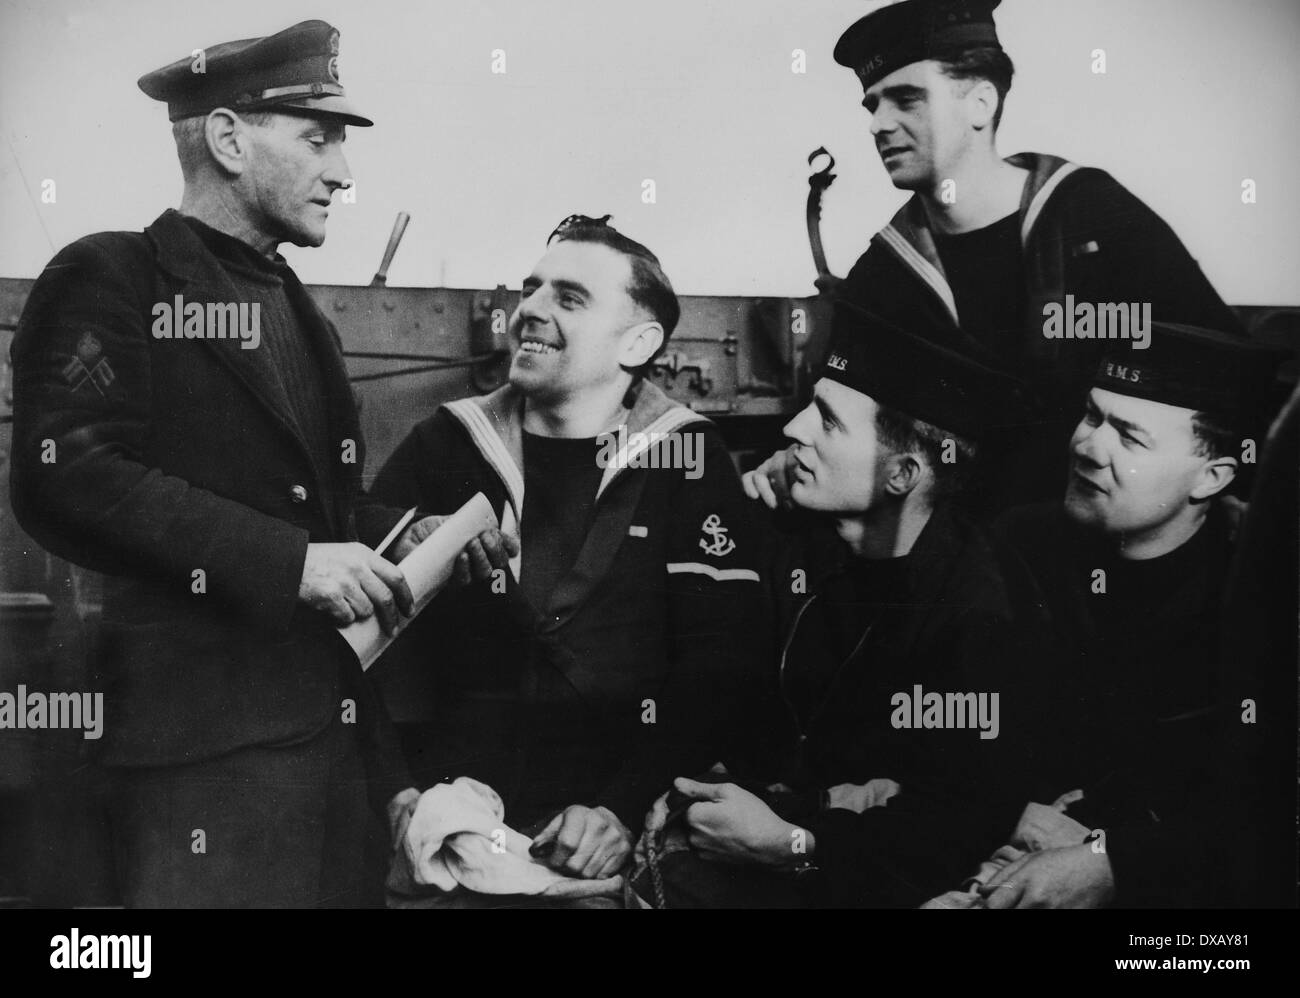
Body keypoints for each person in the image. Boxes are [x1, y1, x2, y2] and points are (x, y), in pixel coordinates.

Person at [8, 19, 505, 907]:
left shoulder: (302, 314)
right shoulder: (111, 276)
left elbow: (314, 509)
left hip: (336, 753)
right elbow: (67, 474)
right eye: (319, 140)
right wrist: (291, 565)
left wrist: (401, 534)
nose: (343, 173)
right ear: (229, 140)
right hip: (197, 763)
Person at [370, 216, 765, 888]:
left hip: (617, 827)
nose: (531, 308)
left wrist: (622, 808)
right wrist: (395, 788)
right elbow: (352, 619)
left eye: (570, 298)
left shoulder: (690, 457)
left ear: (638, 342)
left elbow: (722, 667)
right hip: (449, 819)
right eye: (532, 288)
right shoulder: (447, 441)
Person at [748, 0, 1243, 516]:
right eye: (872, 106)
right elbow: (838, 403)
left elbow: (1221, 369)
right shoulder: (887, 269)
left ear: (980, 104)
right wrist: (782, 463)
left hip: (1099, 522)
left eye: (906, 99)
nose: (879, 124)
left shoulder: (1092, 218)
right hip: (967, 529)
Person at [639, 302, 1037, 908]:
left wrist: (792, 845)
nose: (793, 430)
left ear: (901, 475)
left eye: (827, 422)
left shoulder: (974, 616)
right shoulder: (790, 537)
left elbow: (950, 826)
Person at [974, 323, 1285, 908]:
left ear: (1212, 477)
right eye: (1093, 416)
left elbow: (1264, 815)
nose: (1087, 446)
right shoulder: (1014, 547)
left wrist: (1118, 861)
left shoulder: (1259, 600)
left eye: (1130, 437)